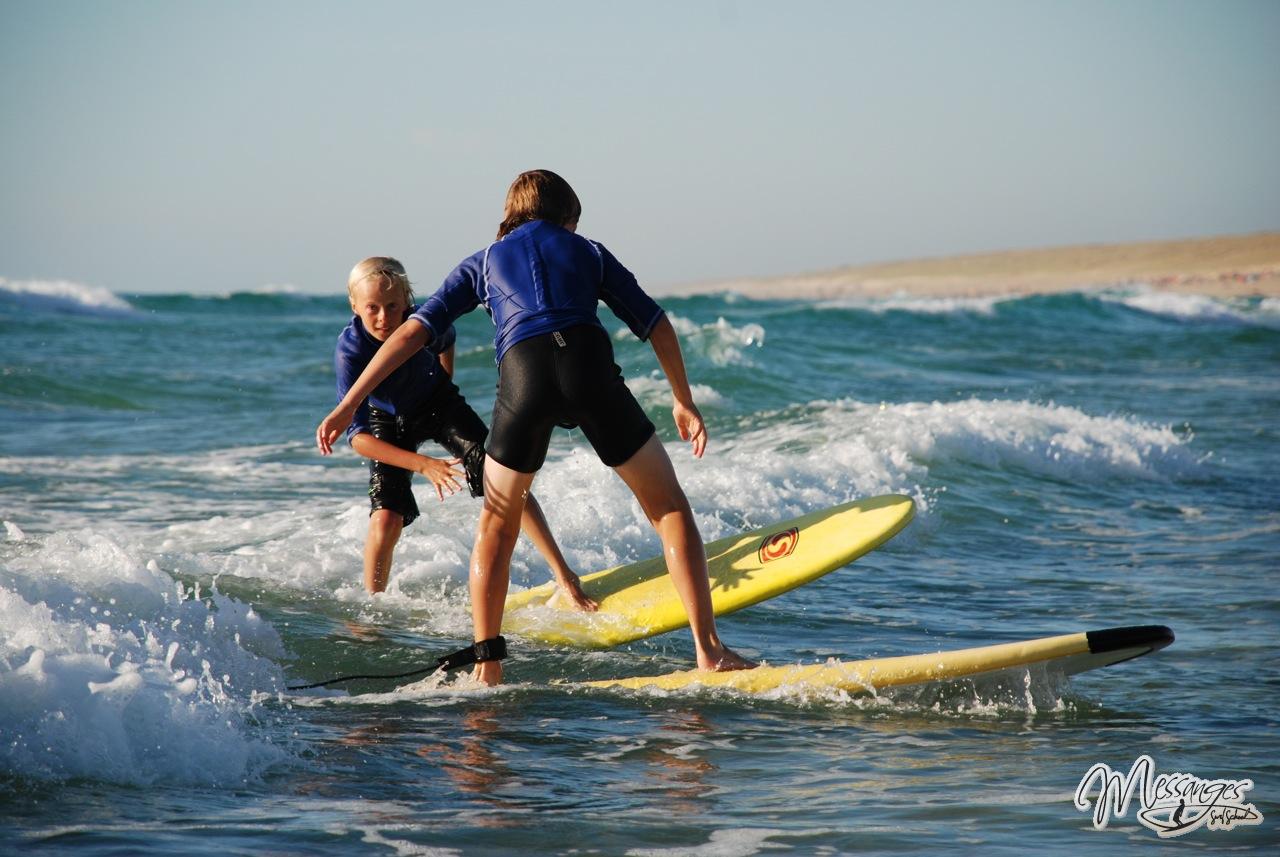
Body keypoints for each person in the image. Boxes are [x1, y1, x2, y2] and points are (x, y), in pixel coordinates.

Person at [318, 173, 755, 684]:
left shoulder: (482, 260)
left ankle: (489, 667)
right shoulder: (588, 251)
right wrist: (683, 400)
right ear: (567, 215)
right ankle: (708, 652)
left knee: (496, 528)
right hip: (590, 372)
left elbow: (414, 332)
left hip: (524, 380)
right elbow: (655, 322)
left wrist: (348, 404)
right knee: (669, 508)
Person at [320, 255, 597, 611]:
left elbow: (446, 338)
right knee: (386, 518)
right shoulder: (351, 349)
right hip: (385, 420)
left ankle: (565, 576)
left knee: (502, 479)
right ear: (354, 305)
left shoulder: (421, 323)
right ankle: (372, 608)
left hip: (438, 403)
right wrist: (423, 464)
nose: (384, 318)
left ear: (407, 300)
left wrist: (444, 382)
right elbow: (357, 437)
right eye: (372, 307)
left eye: (392, 306)